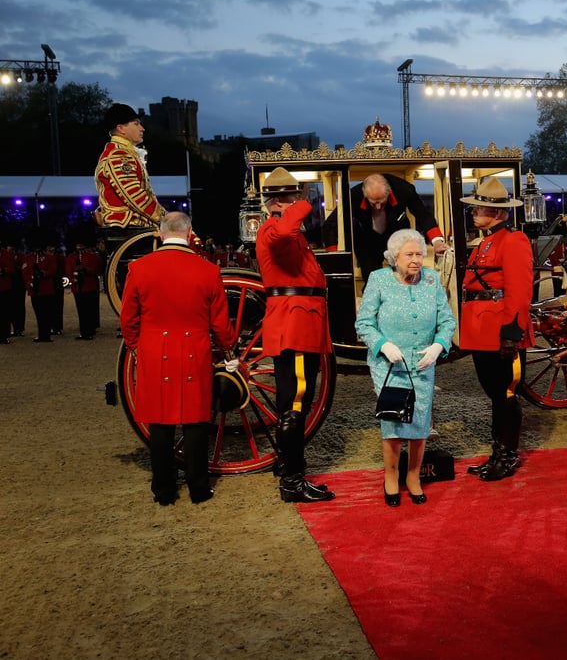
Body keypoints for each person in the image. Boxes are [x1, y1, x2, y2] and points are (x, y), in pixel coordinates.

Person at [119, 212, 236, 505]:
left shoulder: (139, 268)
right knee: (196, 422)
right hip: (195, 349)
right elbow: (221, 324)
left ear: (160, 234)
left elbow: (128, 320)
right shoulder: (208, 271)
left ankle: (164, 489)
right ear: (189, 233)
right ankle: (198, 487)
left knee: (160, 425)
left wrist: (138, 345)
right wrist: (229, 348)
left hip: (154, 350)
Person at [355, 229, 456, 506]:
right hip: (389, 364)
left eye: (420, 255)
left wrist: (438, 345)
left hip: (423, 361)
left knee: (420, 420)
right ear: (394, 257)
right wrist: (383, 345)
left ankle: (413, 477)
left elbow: (447, 321)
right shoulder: (379, 280)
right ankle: (391, 475)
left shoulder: (432, 280)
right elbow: (363, 323)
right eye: (410, 255)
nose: (416, 260)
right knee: (394, 418)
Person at [255, 167, 336, 502]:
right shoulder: (275, 227)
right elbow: (286, 228)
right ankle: (293, 480)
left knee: (295, 400)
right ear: (283, 199)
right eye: (296, 196)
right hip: (296, 323)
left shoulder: (283, 230)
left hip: (300, 321)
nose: (303, 203)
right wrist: (298, 205)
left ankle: (289, 468)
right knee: (297, 401)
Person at [460, 176, 536, 481]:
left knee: (505, 394)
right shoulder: (485, 241)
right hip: (483, 330)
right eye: (476, 206)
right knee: (495, 393)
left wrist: (512, 333)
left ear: (500, 213)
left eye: (480, 208)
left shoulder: (513, 240)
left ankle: (507, 456)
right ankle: (497, 454)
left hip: (501, 331)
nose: (474, 211)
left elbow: (519, 291)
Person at [350, 173, 449, 275]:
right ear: (365, 195)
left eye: (381, 201)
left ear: (388, 193)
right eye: (373, 203)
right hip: (367, 240)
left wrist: (437, 242)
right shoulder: (353, 195)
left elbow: (423, 215)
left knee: (404, 275)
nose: (378, 207)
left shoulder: (404, 190)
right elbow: (333, 223)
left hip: (397, 236)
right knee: (371, 277)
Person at [94, 103, 165, 228]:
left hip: (135, 226)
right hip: (129, 226)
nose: (142, 128)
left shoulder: (125, 153)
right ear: (121, 129)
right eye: (136, 124)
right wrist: (168, 220)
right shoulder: (119, 155)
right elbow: (136, 197)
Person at [21, 235, 59, 343]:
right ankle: (41, 334)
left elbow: (53, 270)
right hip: (34, 289)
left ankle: (46, 334)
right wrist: (31, 279)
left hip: (46, 288)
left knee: (46, 313)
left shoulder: (49, 257)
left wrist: (43, 273)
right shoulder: (28, 258)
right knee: (38, 313)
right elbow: (25, 272)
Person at [66, 233, 104, 340]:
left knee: (90, 309)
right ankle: (84, 331)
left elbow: (98, 270)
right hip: (78, 287)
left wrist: (86, 269)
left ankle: (90, 330)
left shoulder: (93, 257)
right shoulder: (71, 257)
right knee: (81, 310)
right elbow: (69, 271)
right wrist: (75, 275)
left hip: (90, 286)